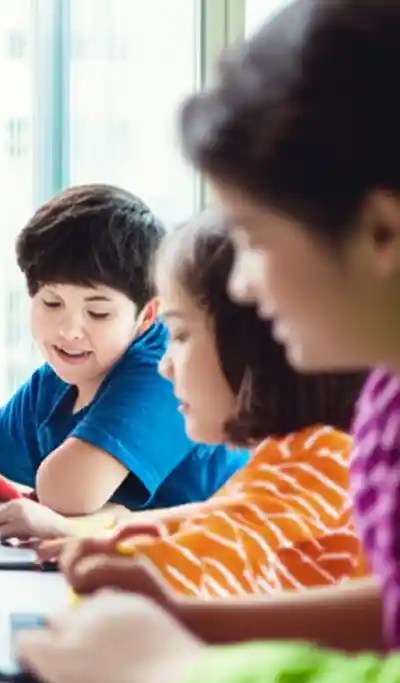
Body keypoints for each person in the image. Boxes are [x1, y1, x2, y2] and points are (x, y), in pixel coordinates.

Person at [18, 2, 400, 683]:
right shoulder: (387, 403)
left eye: (255, 238)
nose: (246, 285)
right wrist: (188, 622)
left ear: (380, 231)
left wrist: (164, 680)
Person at [21, 212, 367, 598]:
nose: (165, 366)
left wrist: (130, 551)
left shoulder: (315, 467)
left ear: (252, 345)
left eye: (180, 334)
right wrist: (102, 531)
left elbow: (216, 555)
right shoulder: (304, 461)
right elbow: (231, 514)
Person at [0, 185, 247, 517]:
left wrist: (16, 491)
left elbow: (71, 493)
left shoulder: (167, 365)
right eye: (51, 303)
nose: (69, 330)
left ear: (147, 314)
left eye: (97, 312)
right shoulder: (59, 379)